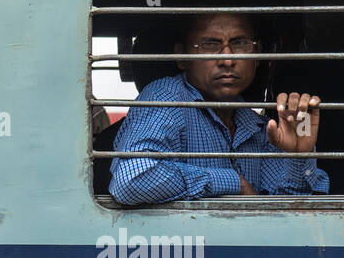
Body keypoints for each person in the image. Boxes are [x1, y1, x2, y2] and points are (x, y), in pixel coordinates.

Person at [108, 12, 328, 205]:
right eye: (210, 44)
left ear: (257, 55)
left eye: (240, 43)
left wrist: (299, 156)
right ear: (181, 57)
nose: (227, 58)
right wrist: (234, 183)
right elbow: (131, 179)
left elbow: (287, 209)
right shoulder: (166, 97)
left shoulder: (260, 128)